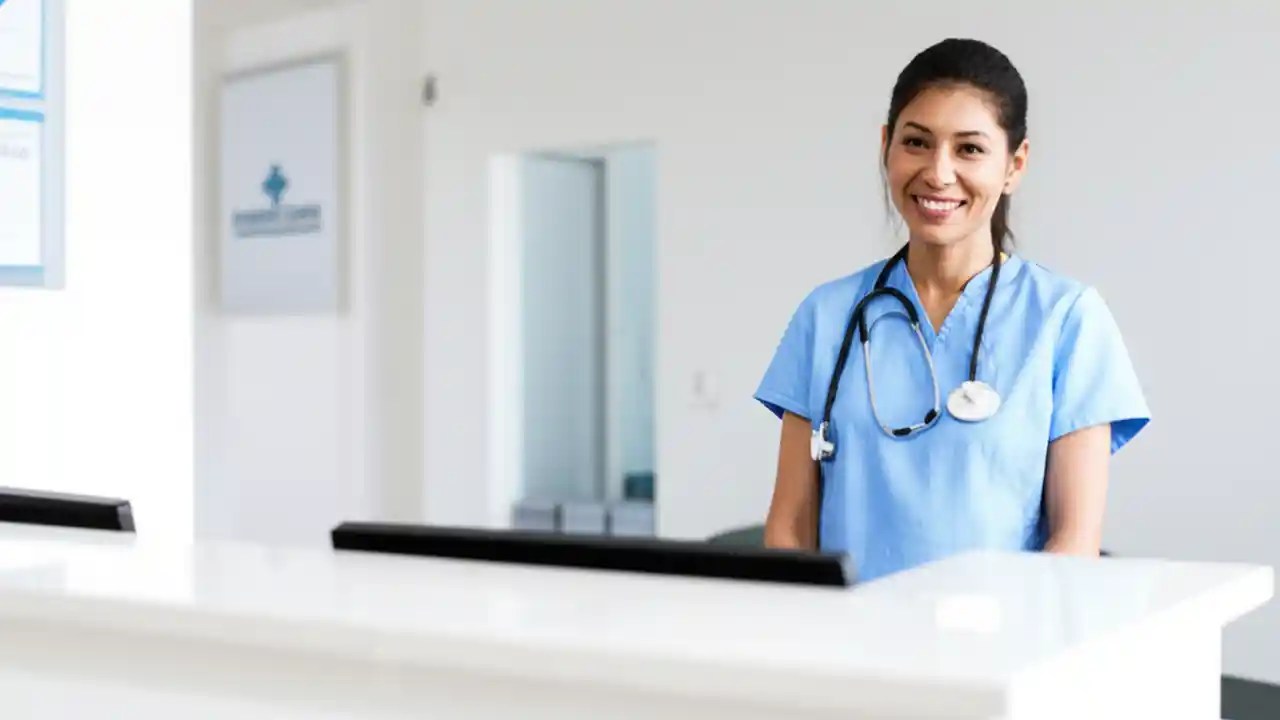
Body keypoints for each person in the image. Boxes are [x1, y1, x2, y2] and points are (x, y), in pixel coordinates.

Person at [754, 38, 1150, 582]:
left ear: (1015, 164)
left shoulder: (1067, 321)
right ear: (886, 146)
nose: (939, 173)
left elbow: (1074, 544)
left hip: (1001, 652)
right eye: (917, 142)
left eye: (969, 149)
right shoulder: (826, 317)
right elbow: (789, 533)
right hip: (848, 651)